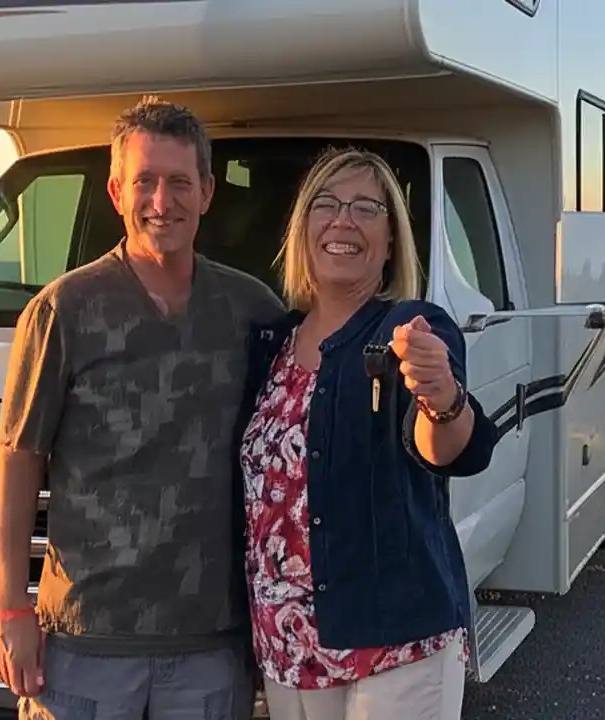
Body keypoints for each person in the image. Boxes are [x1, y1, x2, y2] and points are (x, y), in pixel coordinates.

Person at [0, 97, 285, 719]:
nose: (161, 201)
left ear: (207, 192)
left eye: (180, 182)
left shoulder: (252, 311)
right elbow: (18, 464)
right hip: (85, 641)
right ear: (116, 191)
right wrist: (11, 610)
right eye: (144, 181)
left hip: (210, 643)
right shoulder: (63, 311)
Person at [236, 147, 498, 719]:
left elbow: (445, 449)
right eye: (326, 205)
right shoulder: (271, 344)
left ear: (391, 240)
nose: (343, 221)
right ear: (303, 227)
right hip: (289, 646)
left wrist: (441, 396)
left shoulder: (409, 327)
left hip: (394, 643)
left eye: (365, 209)